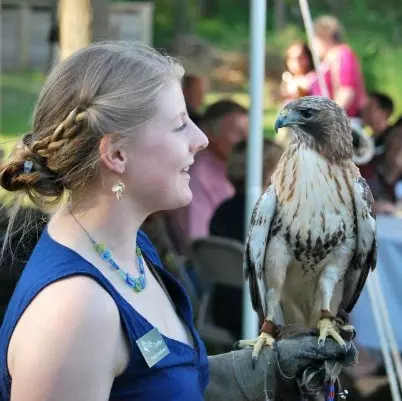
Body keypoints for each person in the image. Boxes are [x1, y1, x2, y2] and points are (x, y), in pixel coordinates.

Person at [0, 41, 356, 401]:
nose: (200, 139)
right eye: (179, 125)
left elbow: (152, 377)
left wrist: (261, 370)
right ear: (116, 154)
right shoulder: (74, 313)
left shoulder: (130, 248)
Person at [209, 138, 284, 340]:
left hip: (224, 310)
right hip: (262, 314)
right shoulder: (265, 214)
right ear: (269, 172)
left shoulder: (222, 210)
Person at [166, 100, 249, 255]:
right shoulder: (198, 175)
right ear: (209, 134)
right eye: (237, 132)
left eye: (249, 131)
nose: (247, 139)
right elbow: (199, 243)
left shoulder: (233, 168)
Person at [312, 15, 366, 119]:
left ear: (325, 37)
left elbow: (347, 90)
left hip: (343, 121)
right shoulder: (329, 59)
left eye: (315, 39)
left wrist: (330, 117)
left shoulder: (342, 55)